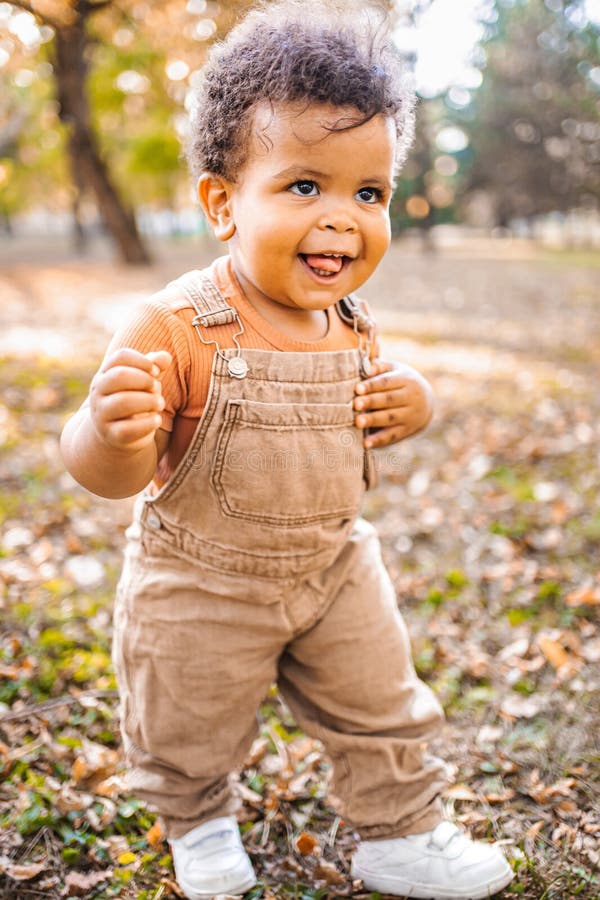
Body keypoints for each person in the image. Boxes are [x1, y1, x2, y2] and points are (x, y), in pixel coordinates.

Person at [60, 1, 514, 897]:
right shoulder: (175, 326)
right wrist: (104, 431)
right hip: (201, 579)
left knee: (383, 702)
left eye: (368, 192)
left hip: (334, 564)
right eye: (306, 186)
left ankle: (399, 831)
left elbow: (369, 404)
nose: (343, 219)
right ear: (224, 203)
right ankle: (198, 819)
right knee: (186, 717)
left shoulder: (348, 317)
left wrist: (411, 400)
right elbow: (108, 475)